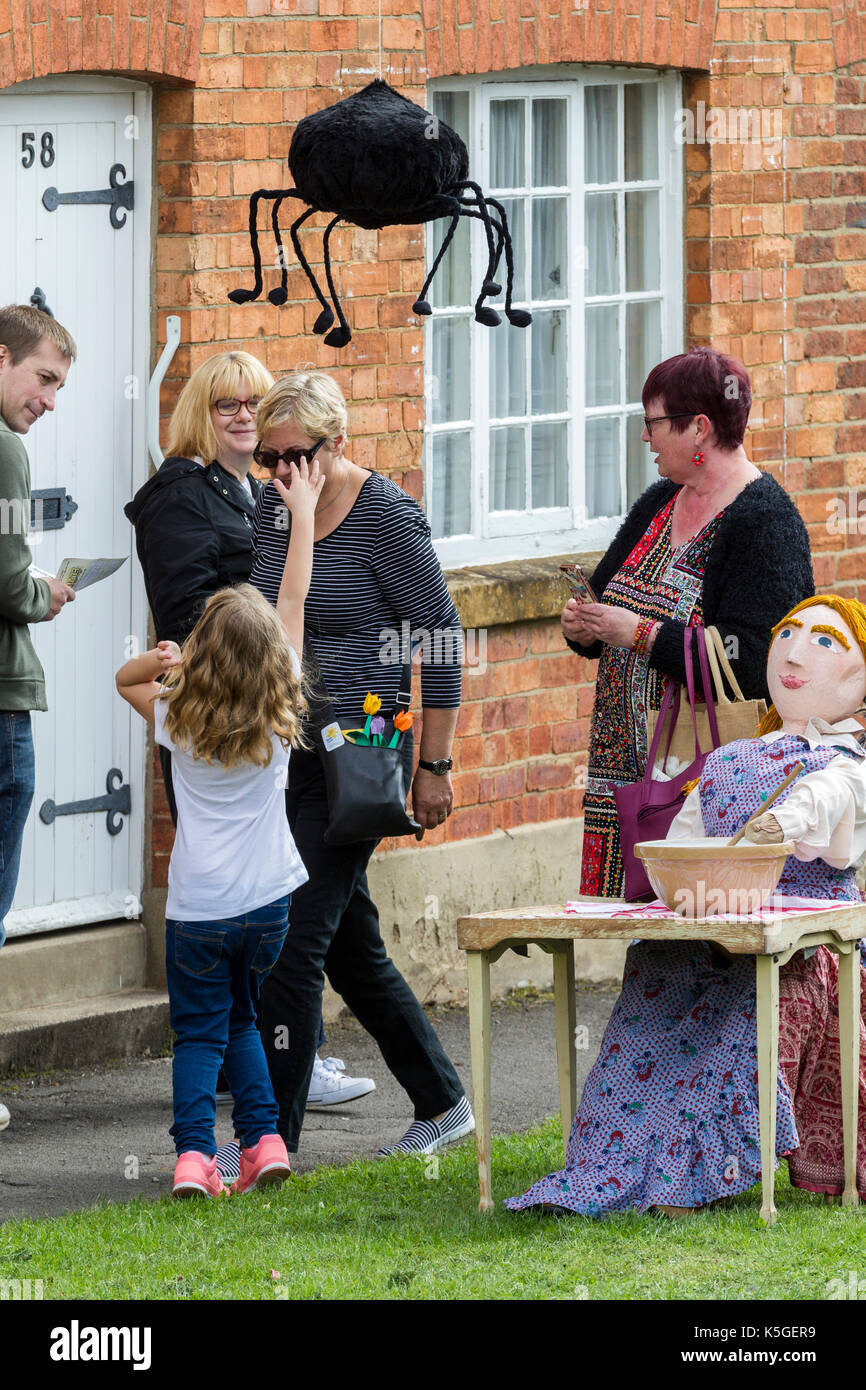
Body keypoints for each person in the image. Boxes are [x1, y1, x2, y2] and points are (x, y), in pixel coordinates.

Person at [506, 594, 866, 1217]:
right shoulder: (728, 759)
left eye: (826, 641)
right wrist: (679, 877)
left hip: (804, 944)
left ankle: (691, 1178)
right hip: (708, 924)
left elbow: (825, 799)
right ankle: (604, 1166)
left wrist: (778, 824)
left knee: (744, 1019)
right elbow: (681, 842)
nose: (795, 649)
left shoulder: (851, 763)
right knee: (654, 974)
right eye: (788, 632)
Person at [124, 350, 374, 1109]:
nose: (241, 416)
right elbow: (195, 609)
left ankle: (277, 1055)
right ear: (200, 410)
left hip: (269, 715)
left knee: (314, 898)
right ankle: (274, 1062)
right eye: (225, 402)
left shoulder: (252, 490)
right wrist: (252, 673)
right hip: (224, 717)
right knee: (265, 900)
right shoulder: (178, 494)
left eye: (253, 404)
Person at [245, 370, 474, 1160]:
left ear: (337, 442)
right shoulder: (276, 509)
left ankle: (270, 1141)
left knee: (292, 936)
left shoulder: (385, 518)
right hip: (291, 748)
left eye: (294, 456)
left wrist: (434, 763)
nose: (279, 473)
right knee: (350, 946)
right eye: (267, 460)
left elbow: (440, 641)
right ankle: (443, 1102)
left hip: (366, 750)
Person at [115, 455, 325, 1197]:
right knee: (243, 1019)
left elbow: (127, 681)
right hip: (268, 904)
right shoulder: (280, 717)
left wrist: (163, 656)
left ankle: (193, 1157)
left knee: (200, 1033)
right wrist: (301, 515)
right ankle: (265, 1142)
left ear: (202, 651)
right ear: (274, 661)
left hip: (199, 907)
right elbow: (292, 600)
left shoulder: (177, 720)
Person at [563, 346, 814, 899]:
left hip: (702, 776)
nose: (646, 438)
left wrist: (640, 634)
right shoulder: (659, 501)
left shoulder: (764, 521)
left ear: (699, 429)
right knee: (627, 919)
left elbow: (754, 660)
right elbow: (610, 602)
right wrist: (583, 626)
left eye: (653, 423)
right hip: (623, 764)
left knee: (696, 919)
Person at [0, 304, 77, 1134]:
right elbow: (8, 574)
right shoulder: (6, 453)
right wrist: (46, 593)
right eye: (44, 378)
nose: (50, 400)